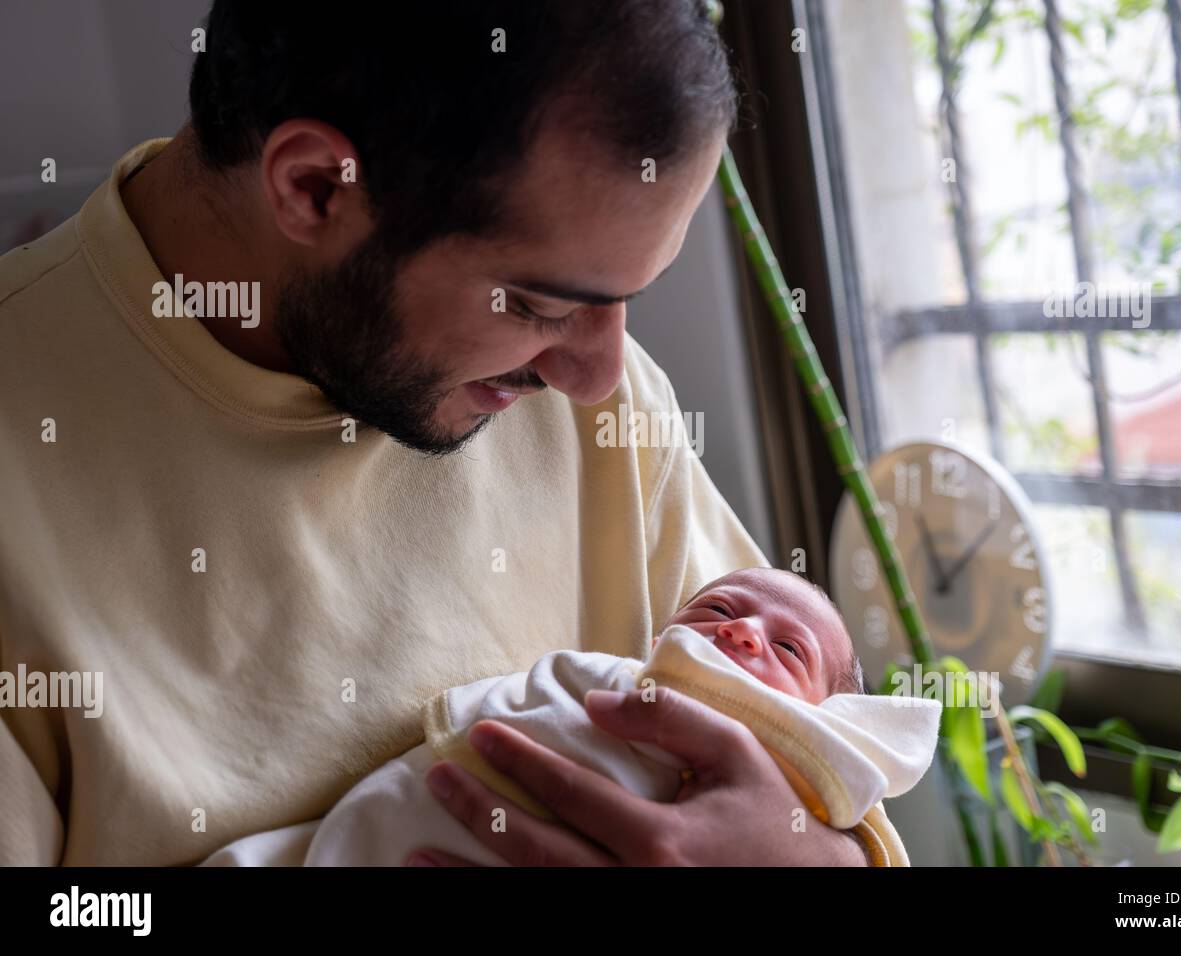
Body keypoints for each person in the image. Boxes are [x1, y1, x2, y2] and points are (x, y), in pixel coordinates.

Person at [0, 1, 871, 865]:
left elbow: (817, 766)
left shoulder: (605, 416)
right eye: (540, 304)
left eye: (625, 296)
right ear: (314, 187)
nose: (601, 376)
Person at [201, 568, 941, 866]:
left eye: (787, 649)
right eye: (716, 609)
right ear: (659, 639)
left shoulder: (815, 768)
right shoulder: (615, 678)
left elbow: (851, 813)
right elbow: (546, 689)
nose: (744, 633)